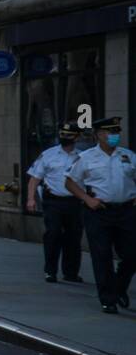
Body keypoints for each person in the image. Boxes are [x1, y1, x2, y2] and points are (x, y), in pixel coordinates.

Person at [65, 117, 136, 314]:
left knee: (131, 255)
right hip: (99, 211)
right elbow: (70, 182)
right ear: (98, 135)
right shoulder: (87, 157)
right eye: (109, 132)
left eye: (116, 132)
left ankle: (119, 287)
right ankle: (108, 299)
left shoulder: (128, 156)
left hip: (126, 211)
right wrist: (87, 199)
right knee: (102, 255)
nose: (114, 136)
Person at [27, 122, 85, 283]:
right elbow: (34, 179)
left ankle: (71, 272)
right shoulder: (48, 155)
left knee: (73, 237)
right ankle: (50, 271)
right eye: (63, 134)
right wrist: (31, 199)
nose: (65, 137)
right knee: (53, 234)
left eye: (69, 135)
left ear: (77, 137)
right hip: (53, 201)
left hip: (75, 202)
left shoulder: (83, 157)